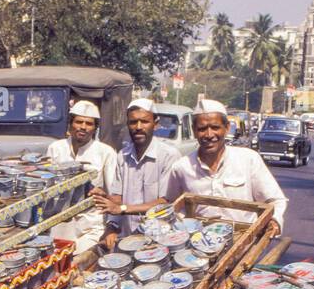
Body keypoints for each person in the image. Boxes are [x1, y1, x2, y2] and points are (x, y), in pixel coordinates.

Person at [164, 99, 286, 235]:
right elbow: (174, 207)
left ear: (227, 128)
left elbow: (275, 200)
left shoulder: (249, 159)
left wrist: (274, 221)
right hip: (198, 247)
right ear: (194, 131)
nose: (209, 135)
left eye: (215, 127)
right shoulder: (181, 167)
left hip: (244, 245)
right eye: (202, 129)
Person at [95, 98, 182, 250]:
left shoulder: (169, 155)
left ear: (156, 124)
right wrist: (107, 202)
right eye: (133, 122)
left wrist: (123, 209)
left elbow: (164, 202)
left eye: (144, 122)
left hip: (161, 240)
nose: (138, 127)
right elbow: (118, 198)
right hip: (130, 239)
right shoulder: (123, 155)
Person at [45, 100, 116, 253]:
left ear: (95, 128)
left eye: (89, 124)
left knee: (78, 264)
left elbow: (114, 196)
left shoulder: (106, 152)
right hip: (59, 222)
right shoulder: (56, 148)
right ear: (71, 124)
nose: (83, 127)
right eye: (79, 122)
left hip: (90, 226)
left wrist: (102, 193)